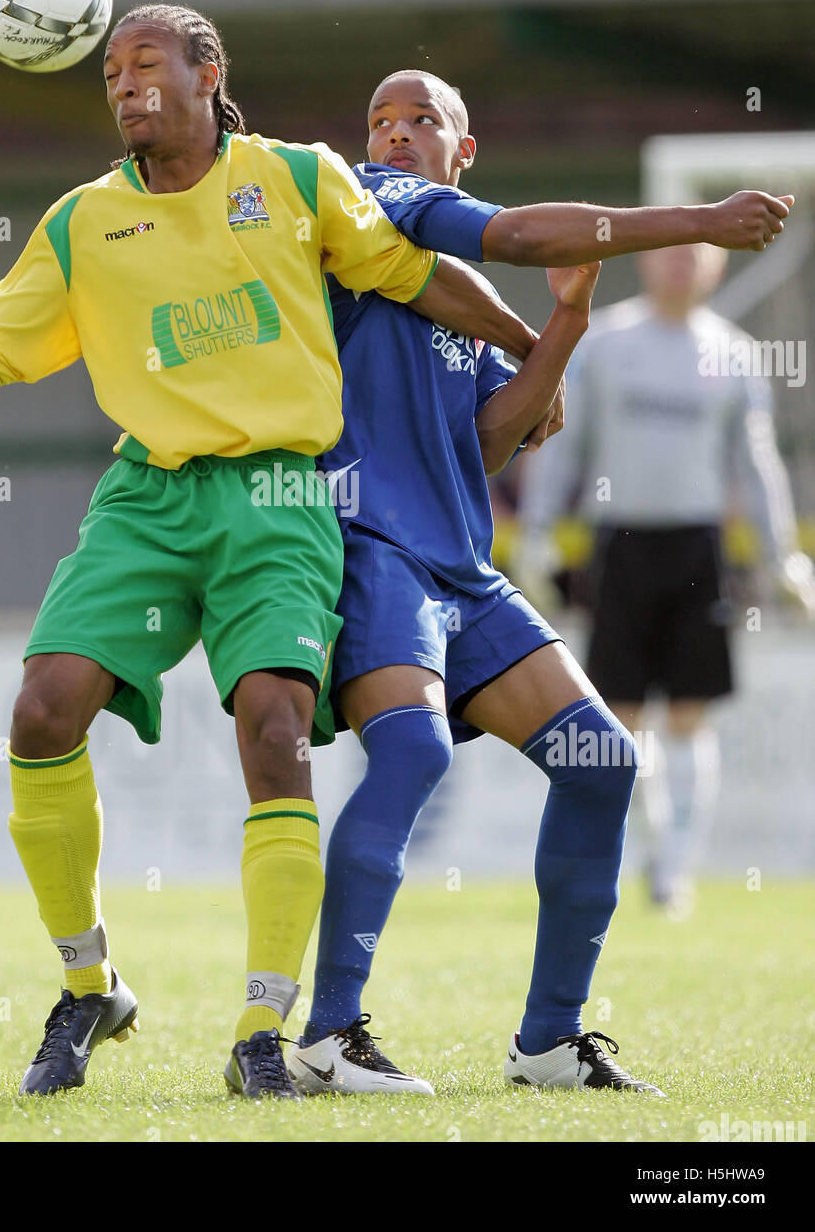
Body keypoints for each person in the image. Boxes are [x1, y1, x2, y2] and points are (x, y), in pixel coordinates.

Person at [0, 8, 544, 1102]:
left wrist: (524, 341)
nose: (123, 84)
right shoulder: (82, 222)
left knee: (272, 729)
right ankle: (87, 984)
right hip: (148, 498)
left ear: (211, 74)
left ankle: (263, 1027)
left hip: (277, 497)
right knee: (42, 709)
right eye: (110, 71)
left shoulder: (298, 179)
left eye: (146, 63)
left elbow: (409, 273)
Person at [285, 69, 794, 1097]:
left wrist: (560, 323)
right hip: (372, 552)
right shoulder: (365, 207)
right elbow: (520, 233)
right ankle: (328, 1033)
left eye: (421, 120)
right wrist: (696, 221)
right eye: (380, 118)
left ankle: (549, 1043)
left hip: (461, 575)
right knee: (412, 752)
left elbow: (487, 440)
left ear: (462, 149)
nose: (394, 133)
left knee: (602, 759)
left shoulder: (461, 297)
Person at [518, 241, 814, 918]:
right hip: (617, 545)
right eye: (670, 252)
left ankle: (674, 872)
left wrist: (781, 558)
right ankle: (634, 859)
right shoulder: (608, 342)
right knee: (620, 720)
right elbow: (565, 441)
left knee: (688, 716)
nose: (681, 263)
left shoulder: (734, 353)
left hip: (696, 550)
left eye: (696, 254)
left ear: (715, 267)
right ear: (647, 262)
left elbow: (756, 462)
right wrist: (535, 533)